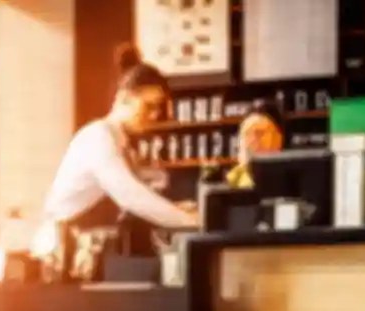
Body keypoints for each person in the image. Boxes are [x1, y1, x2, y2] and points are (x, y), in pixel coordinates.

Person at [34, 43, 197, 278]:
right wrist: (188, 221)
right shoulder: (98, 137)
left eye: (158, 109)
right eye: (148, 106)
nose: (153, 116)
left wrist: (176, 209)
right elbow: (130, 195)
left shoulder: (120, 141)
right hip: (64, 253)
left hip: (87, 250)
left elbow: (142, 187)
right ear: (124, 98)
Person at [225, 99, 285, 190]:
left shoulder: (291, 183)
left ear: (279, 138)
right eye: (245, 133)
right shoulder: (231, 182)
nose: (248, 141)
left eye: (259, 133)